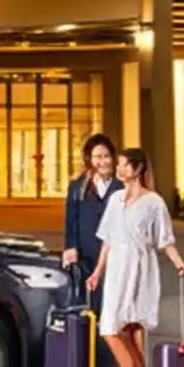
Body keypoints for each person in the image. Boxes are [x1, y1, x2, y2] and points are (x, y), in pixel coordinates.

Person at [86, 148, 184, 367]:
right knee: (112, 331)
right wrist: (98, 272)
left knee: (127, 329)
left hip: (139, 270)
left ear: (137, 169)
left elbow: (165, 240)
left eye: (123, 165)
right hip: (116, 271)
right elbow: (108, 240)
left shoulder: (154, 203)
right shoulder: (115, 199)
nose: (119, 169)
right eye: (119, 165)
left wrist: (179, 263)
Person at [62, 133, 123, 313]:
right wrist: (70, 246)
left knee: (115, 300)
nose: (103, 162)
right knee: (90, 299)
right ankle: (93, 337)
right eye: (98, 157)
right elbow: (71, 218)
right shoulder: (79, 186)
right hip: (86, 251)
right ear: (89, 159)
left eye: (106, 156)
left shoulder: (122, 185)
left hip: (116, 250)